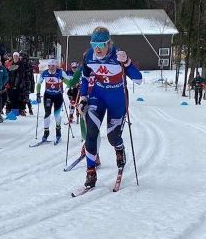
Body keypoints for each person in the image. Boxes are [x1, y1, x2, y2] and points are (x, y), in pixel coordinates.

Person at [77, 26, 142, 190]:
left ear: (108, 44)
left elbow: (138, 79)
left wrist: (127, 62)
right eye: (94, 44)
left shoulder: (117, 56)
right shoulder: (89, 56)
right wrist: (83, 97)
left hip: (117, 101)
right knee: (91, 134)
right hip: (97, 98)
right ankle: (90, 171)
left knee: (112, 136)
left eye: (101, 45)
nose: (97, 49)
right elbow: (85, 77)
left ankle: (119, 149)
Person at [35, 58, 70, 144]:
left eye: (53, 66)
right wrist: (38, 94)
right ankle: (46, 133)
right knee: (47, 113)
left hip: (58, 96)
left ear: (56, 66)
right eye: (49, 66)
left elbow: (69, 82)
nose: (51, 67)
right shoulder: (45, 73)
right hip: (48, 96)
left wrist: (64, 80)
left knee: (57, 115)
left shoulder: (60, 72)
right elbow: (39, 83)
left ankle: (58, 133)